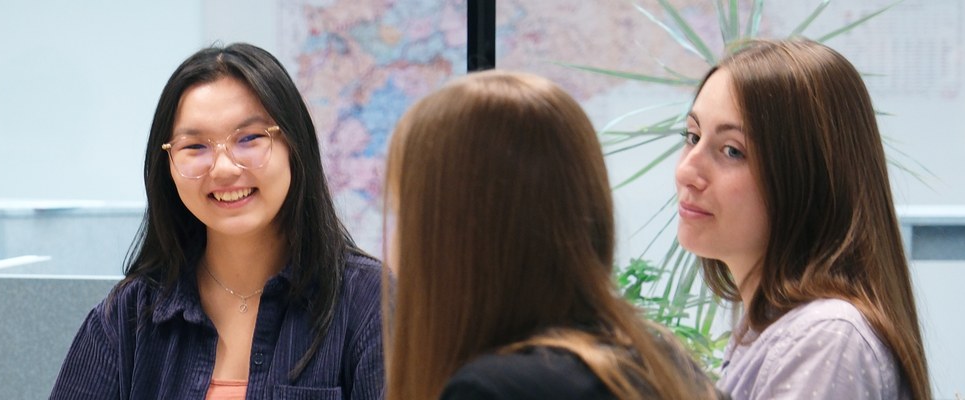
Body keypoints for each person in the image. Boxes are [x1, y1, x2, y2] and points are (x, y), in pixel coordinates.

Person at [50, 43, 384, 399]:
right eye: (195, 147)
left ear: (294, 146)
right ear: (168, 168)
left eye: (250, 138)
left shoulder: (368, 304)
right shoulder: (127, 317)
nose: (224, 168)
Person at [383, 70, 719, 400]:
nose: (393, 247)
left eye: (403, 213)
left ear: (451, 239)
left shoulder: (493, 390)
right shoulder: (664, 361)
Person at [676, 38, 931, 399]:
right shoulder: (768, 328)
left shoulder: (827, 337)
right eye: (692, 136)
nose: (687, 170)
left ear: (808, 177)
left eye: (732, 151)